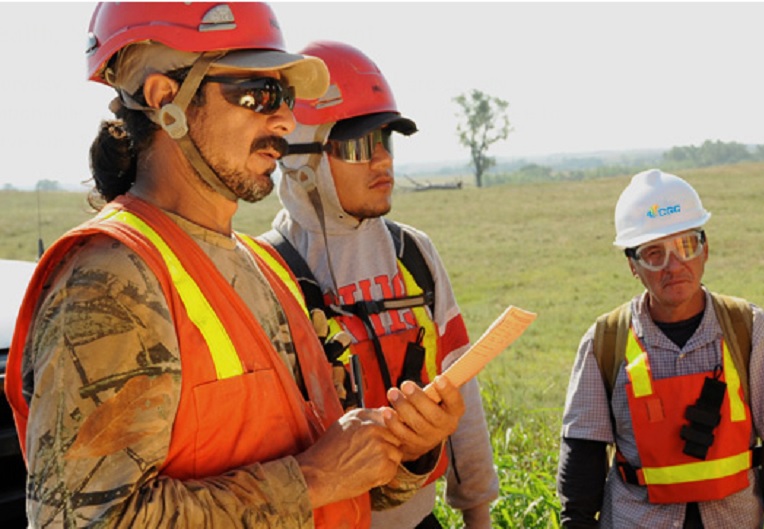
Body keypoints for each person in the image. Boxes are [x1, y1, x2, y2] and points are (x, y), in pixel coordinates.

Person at [3, 3, 465, 527]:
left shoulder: (265, 266)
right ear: (164, 98)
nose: (286, 120)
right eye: (258, 94)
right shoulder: (110, 280)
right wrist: (312, 479)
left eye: (285, 97)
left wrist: (408, 450)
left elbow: (332, 477)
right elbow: (83, 522)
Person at [266, 41, 499, 529]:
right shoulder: (263, 272)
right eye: (356, 146)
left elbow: (462, 388)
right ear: (300, 158)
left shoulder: (413, 255)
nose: (382, 162)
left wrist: (478, 513)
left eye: (386, 142)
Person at [556, 169, 764, 528]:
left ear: (706, 249)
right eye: (653, 253)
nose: (674, 266)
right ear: (632, 265)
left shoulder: (751, 330)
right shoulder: (605, 341)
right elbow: (582, 459)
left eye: (686, 245)